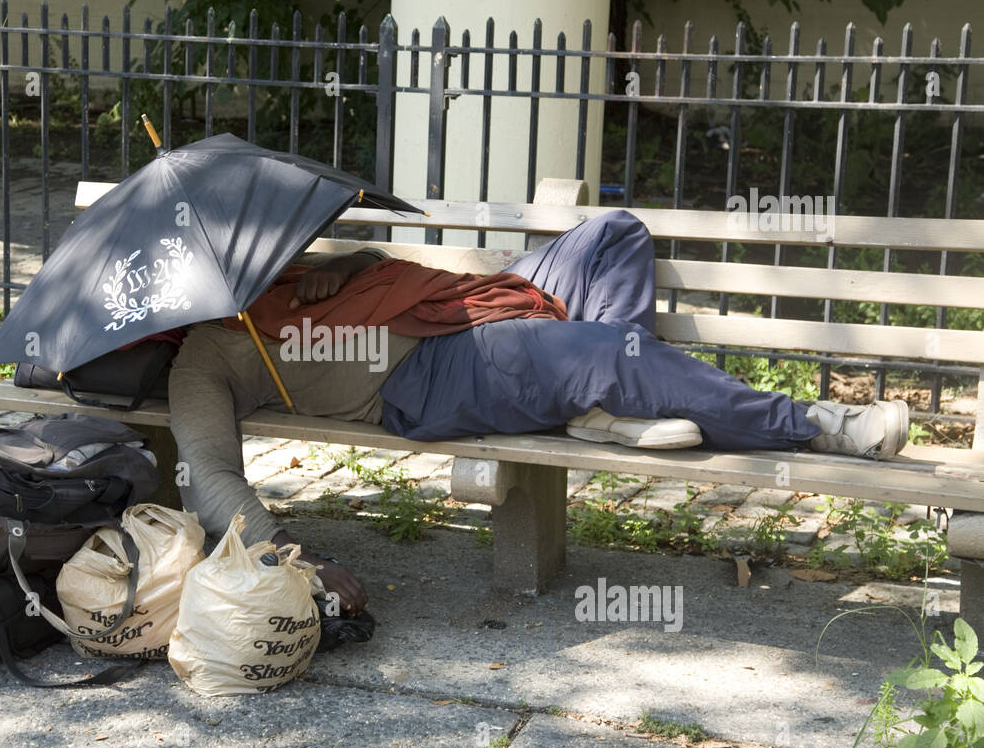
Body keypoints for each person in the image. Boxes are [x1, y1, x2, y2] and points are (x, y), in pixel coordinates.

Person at [167, 209, 909, 616]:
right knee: (607, 354)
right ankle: (822, 426)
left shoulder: (286, 273)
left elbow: (373, 264)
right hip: (430, 374)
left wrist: (345, 264)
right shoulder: (208, 356)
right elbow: (208, 477)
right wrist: (304, 560)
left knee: (613, 234)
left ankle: (597, 404)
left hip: (460, 302)